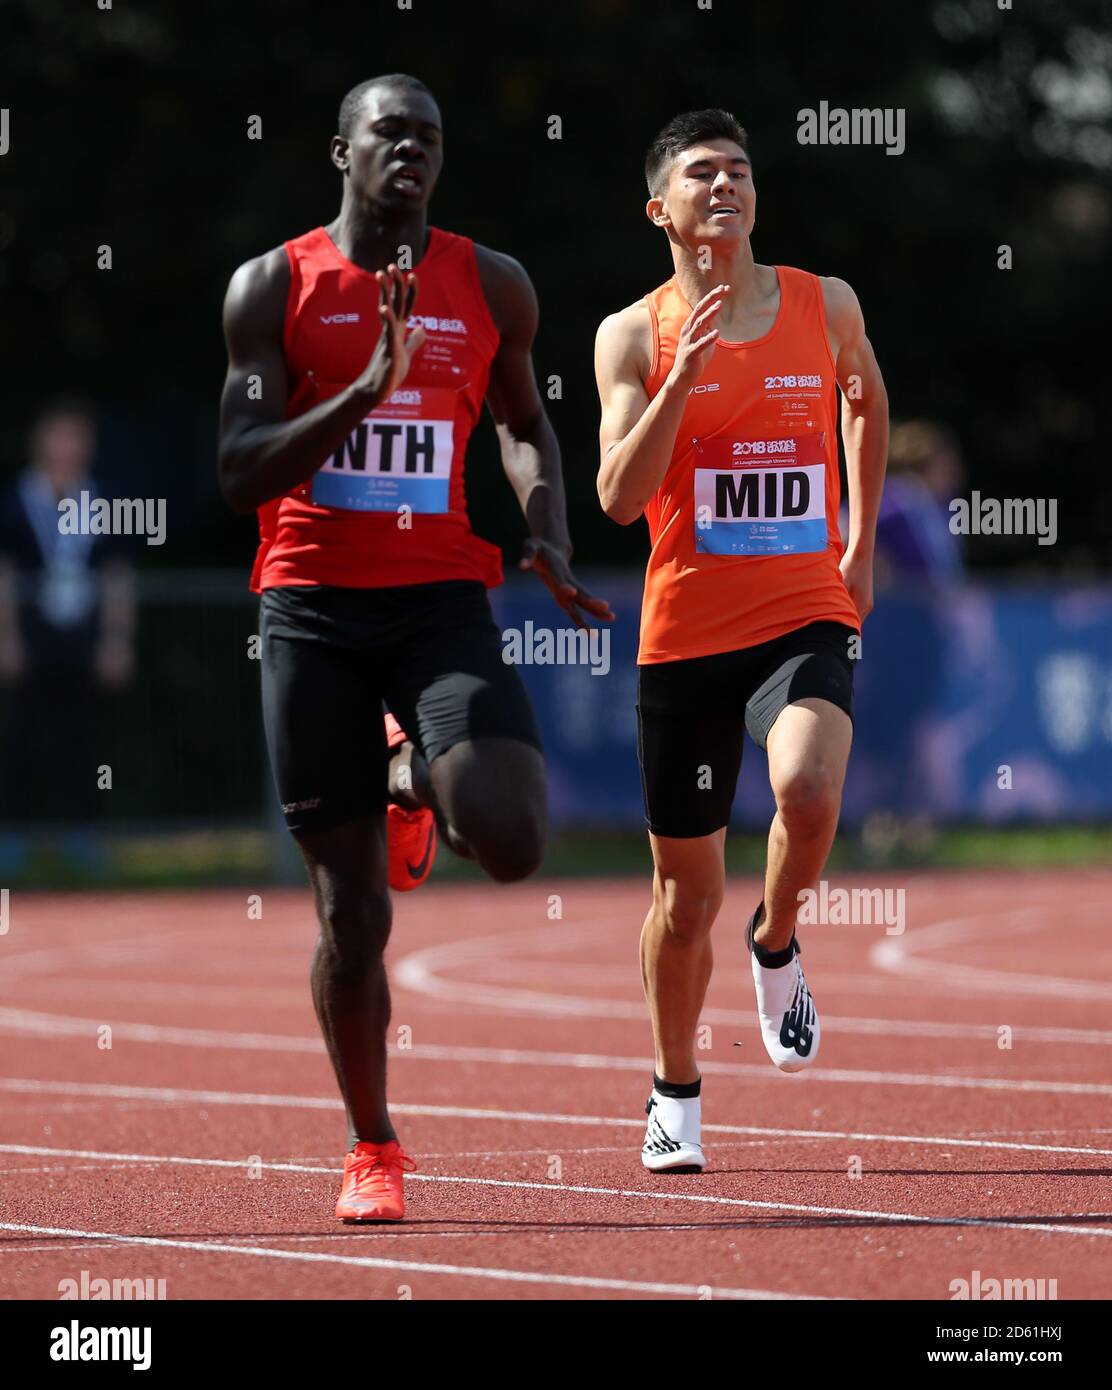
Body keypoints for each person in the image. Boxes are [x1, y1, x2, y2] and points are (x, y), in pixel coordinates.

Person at [218, 74, 610, 1222]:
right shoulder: (273, 286)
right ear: (337, 148)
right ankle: (373, 1147)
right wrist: (361, 391)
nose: (412, 150)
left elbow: (523, 420)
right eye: (390, 131)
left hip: (439, 597)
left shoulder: (489, 283)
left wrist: (542, 526)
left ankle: (407, 775)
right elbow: (239, 467)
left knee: (513, 835)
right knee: (351, 914)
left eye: (430, 137)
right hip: (311, 608)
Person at [594, 109, 887, 1172]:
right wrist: (679, 380)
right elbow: (619, 500)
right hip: (684, 640)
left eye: (738, 171)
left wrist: (854, 536)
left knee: (808, 794)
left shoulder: (823, 303)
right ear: (658, 209)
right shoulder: (630, 334)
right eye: (700, 173)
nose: (724, 185)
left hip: (801, 609)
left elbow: (864, 400)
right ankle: (673, 1088)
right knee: (683, 899)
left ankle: (777, 941)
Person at [0, 398, 135, 863]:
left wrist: (117, 641)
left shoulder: (104, 499)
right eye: (57, 435)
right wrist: (7, 638)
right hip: (32, 635)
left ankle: (87, 838)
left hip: (85, 635)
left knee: (86, 741)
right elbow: (5, 574)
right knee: (23, 739)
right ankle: (14, 839)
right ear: (38, 441)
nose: (65, 447)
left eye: (74, 436)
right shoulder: (15, 500)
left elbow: (118, 575)